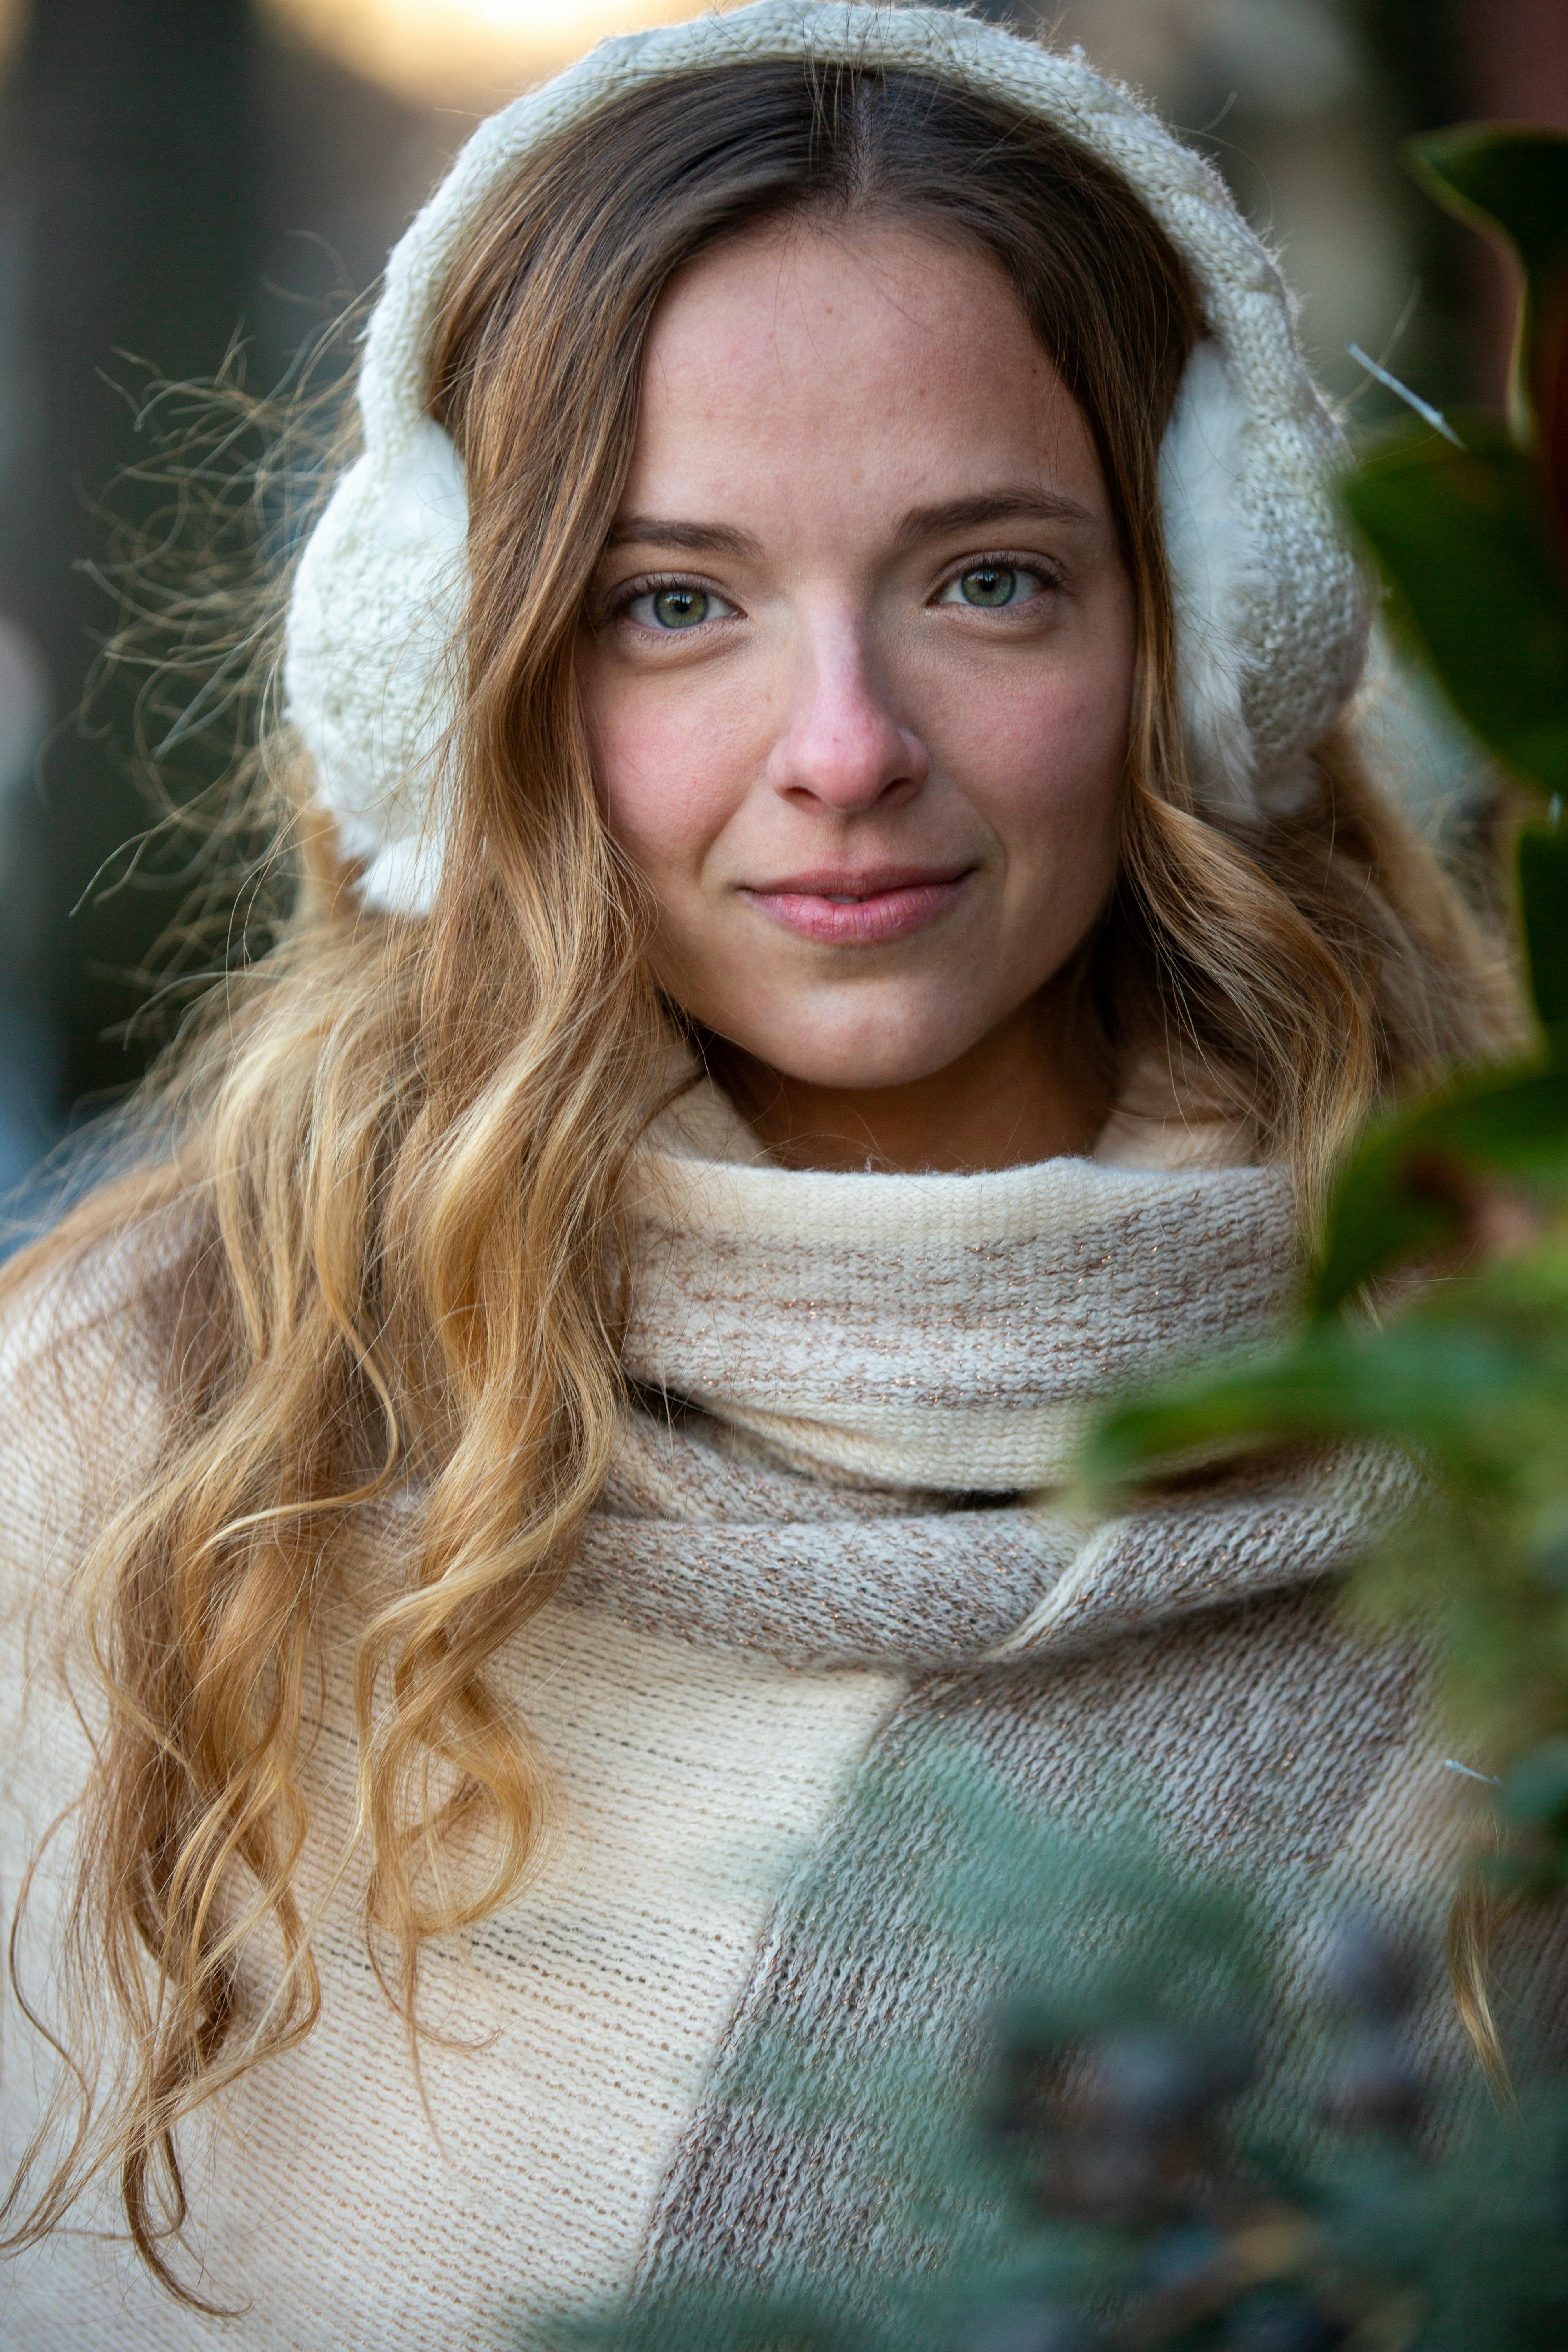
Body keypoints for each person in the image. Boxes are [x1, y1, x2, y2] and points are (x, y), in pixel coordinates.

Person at [0, 3, 1537, 2343]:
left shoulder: (1499, 1445)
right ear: (467, 682)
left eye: (987, 578)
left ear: (1204, 631)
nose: (842, 750)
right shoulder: (139, 1454)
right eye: (672, 603)